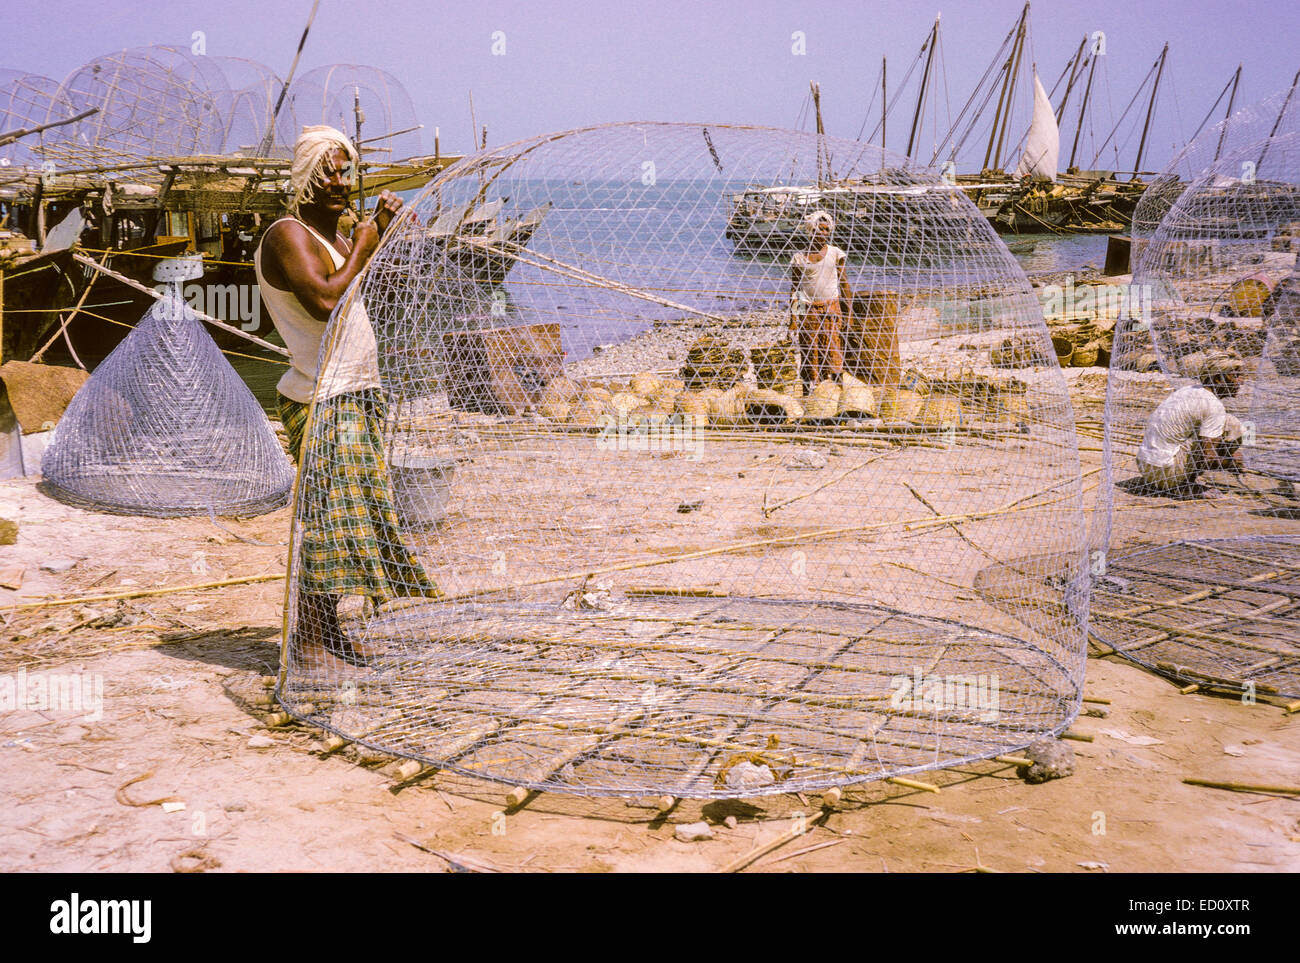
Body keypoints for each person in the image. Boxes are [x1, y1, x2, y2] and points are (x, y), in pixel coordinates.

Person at [255, 125, 439, 673]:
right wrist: (365, 238)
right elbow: (323, 299)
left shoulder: (334, 236)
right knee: (332, 520)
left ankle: (326, 630)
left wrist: (380, 232)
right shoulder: (287, 236)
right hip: (320, 397)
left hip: (354, 393)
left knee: (349, 518)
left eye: (345, 172)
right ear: (304, 177)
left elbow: (360, 285)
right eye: (328, 172)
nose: (340, 182)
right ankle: (308, 642)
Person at [1136, 353, 1245, 495]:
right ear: (1218, 379)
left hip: (1146, 467)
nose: (1241, 382)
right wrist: (1231, 463)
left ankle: (1185, 476)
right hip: (1166, 475)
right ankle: (1183, 484)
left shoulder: (1188, 390)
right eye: (1235, 376)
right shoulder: (1213, 406)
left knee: (1228, 422)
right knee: (1233, 426)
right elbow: (1208, 459)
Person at [789, 210, 852, 391]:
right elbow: (796, 289)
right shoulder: (799, 258)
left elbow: (844, 284)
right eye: (820, 229)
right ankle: (811, 395)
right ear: (811, 231)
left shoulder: (835, 253)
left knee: (833, 352)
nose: (824, 233)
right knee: (810, 353)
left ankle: (837, 393)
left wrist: (849, 314)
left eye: (826, 230)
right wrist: (794, 320)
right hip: (808, 313)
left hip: (831, 309)